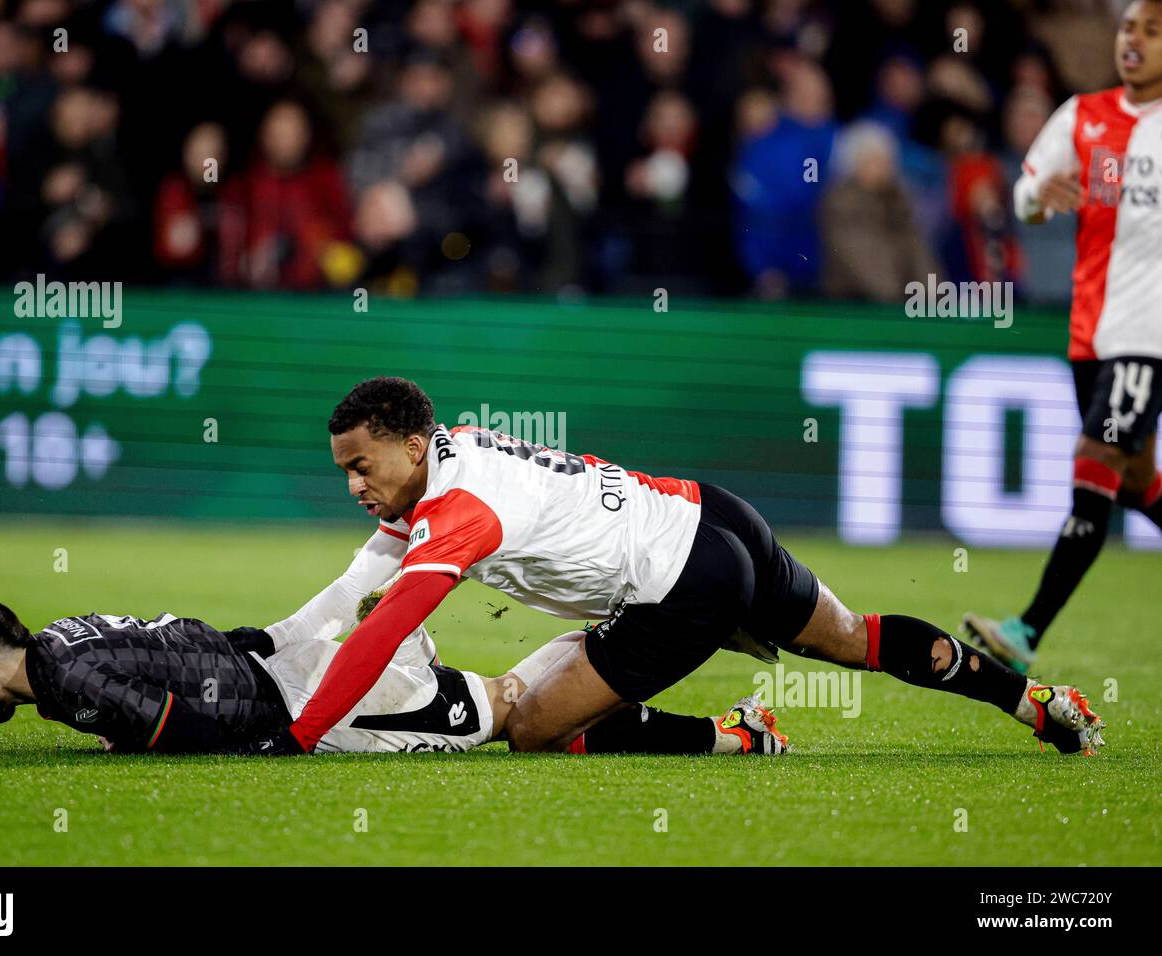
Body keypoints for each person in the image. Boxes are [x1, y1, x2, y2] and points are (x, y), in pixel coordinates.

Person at [269, 377, 1105, 760]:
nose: (353, 483)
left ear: (414, 448)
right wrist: (274, 641)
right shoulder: (458, 452)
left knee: (530, 725)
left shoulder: (456, 514)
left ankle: (734, 736)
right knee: (853, 638)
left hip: (681, 586)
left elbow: (382, 627)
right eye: (345, 468)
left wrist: (302, 737)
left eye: (361, 465)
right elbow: (358, 586)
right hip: (709, 511)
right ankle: (1032, 704)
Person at [0, 594, 786, 757]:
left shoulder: (63, 680)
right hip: (280, 665)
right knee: (536, 718)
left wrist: (268, 746)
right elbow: (181, 636)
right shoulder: (64, 637)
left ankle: (682, 623)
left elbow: (173, 730)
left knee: (516, 712)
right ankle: (731, 732)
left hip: (312, 704)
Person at [964, 0, 1162, 673]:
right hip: (1090, 334)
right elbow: (1023, 191)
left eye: (1151, 32)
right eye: (1129, 28)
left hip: (1149, 334)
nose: (1133, 41)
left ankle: (1026, 630)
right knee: (1135, 482)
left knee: (1096, 457)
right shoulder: (1083, 115)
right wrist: (1041, 193)